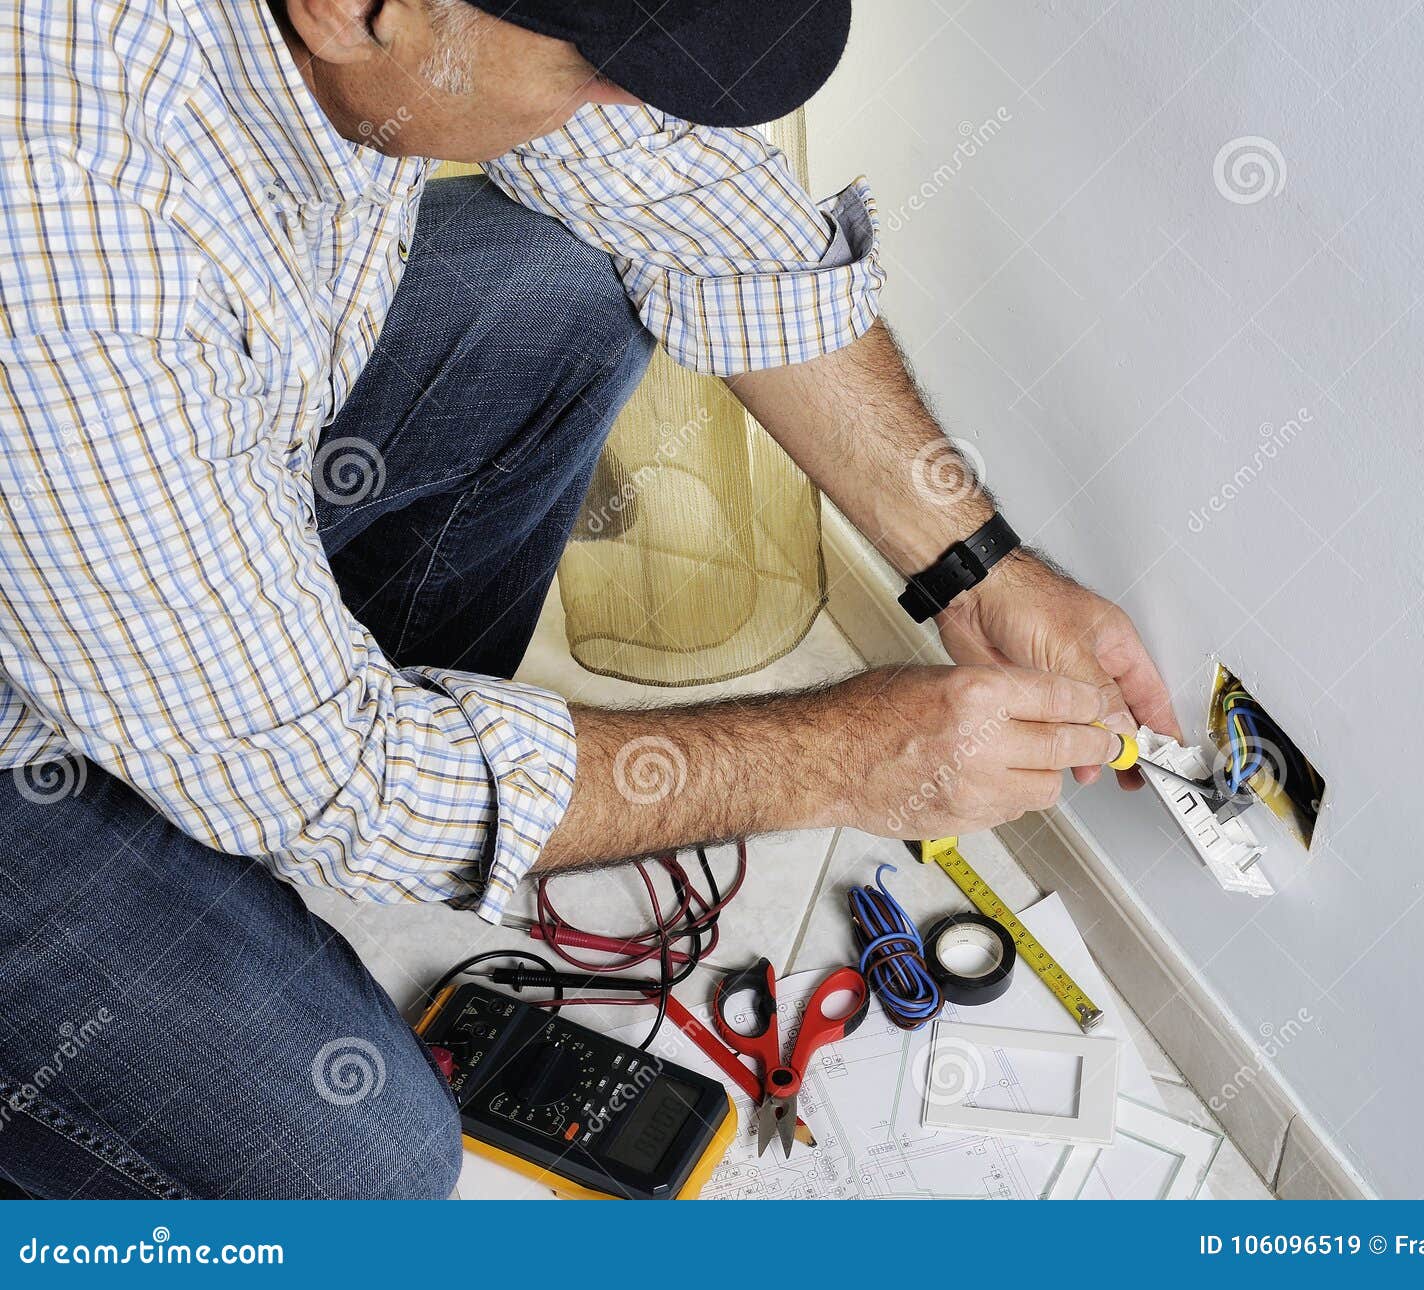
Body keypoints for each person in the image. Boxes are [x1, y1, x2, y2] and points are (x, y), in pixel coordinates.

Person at [0, 0, 1178, 1198]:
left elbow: (690, 209)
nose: (627, 106)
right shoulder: (74, 232)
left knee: (559, 287)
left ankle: (235, 774)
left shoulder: (416, 33)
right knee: (355, 1175)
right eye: (597, 72)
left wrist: (975, 568)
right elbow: (326, 772)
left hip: (131, 497)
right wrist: (846, 758)